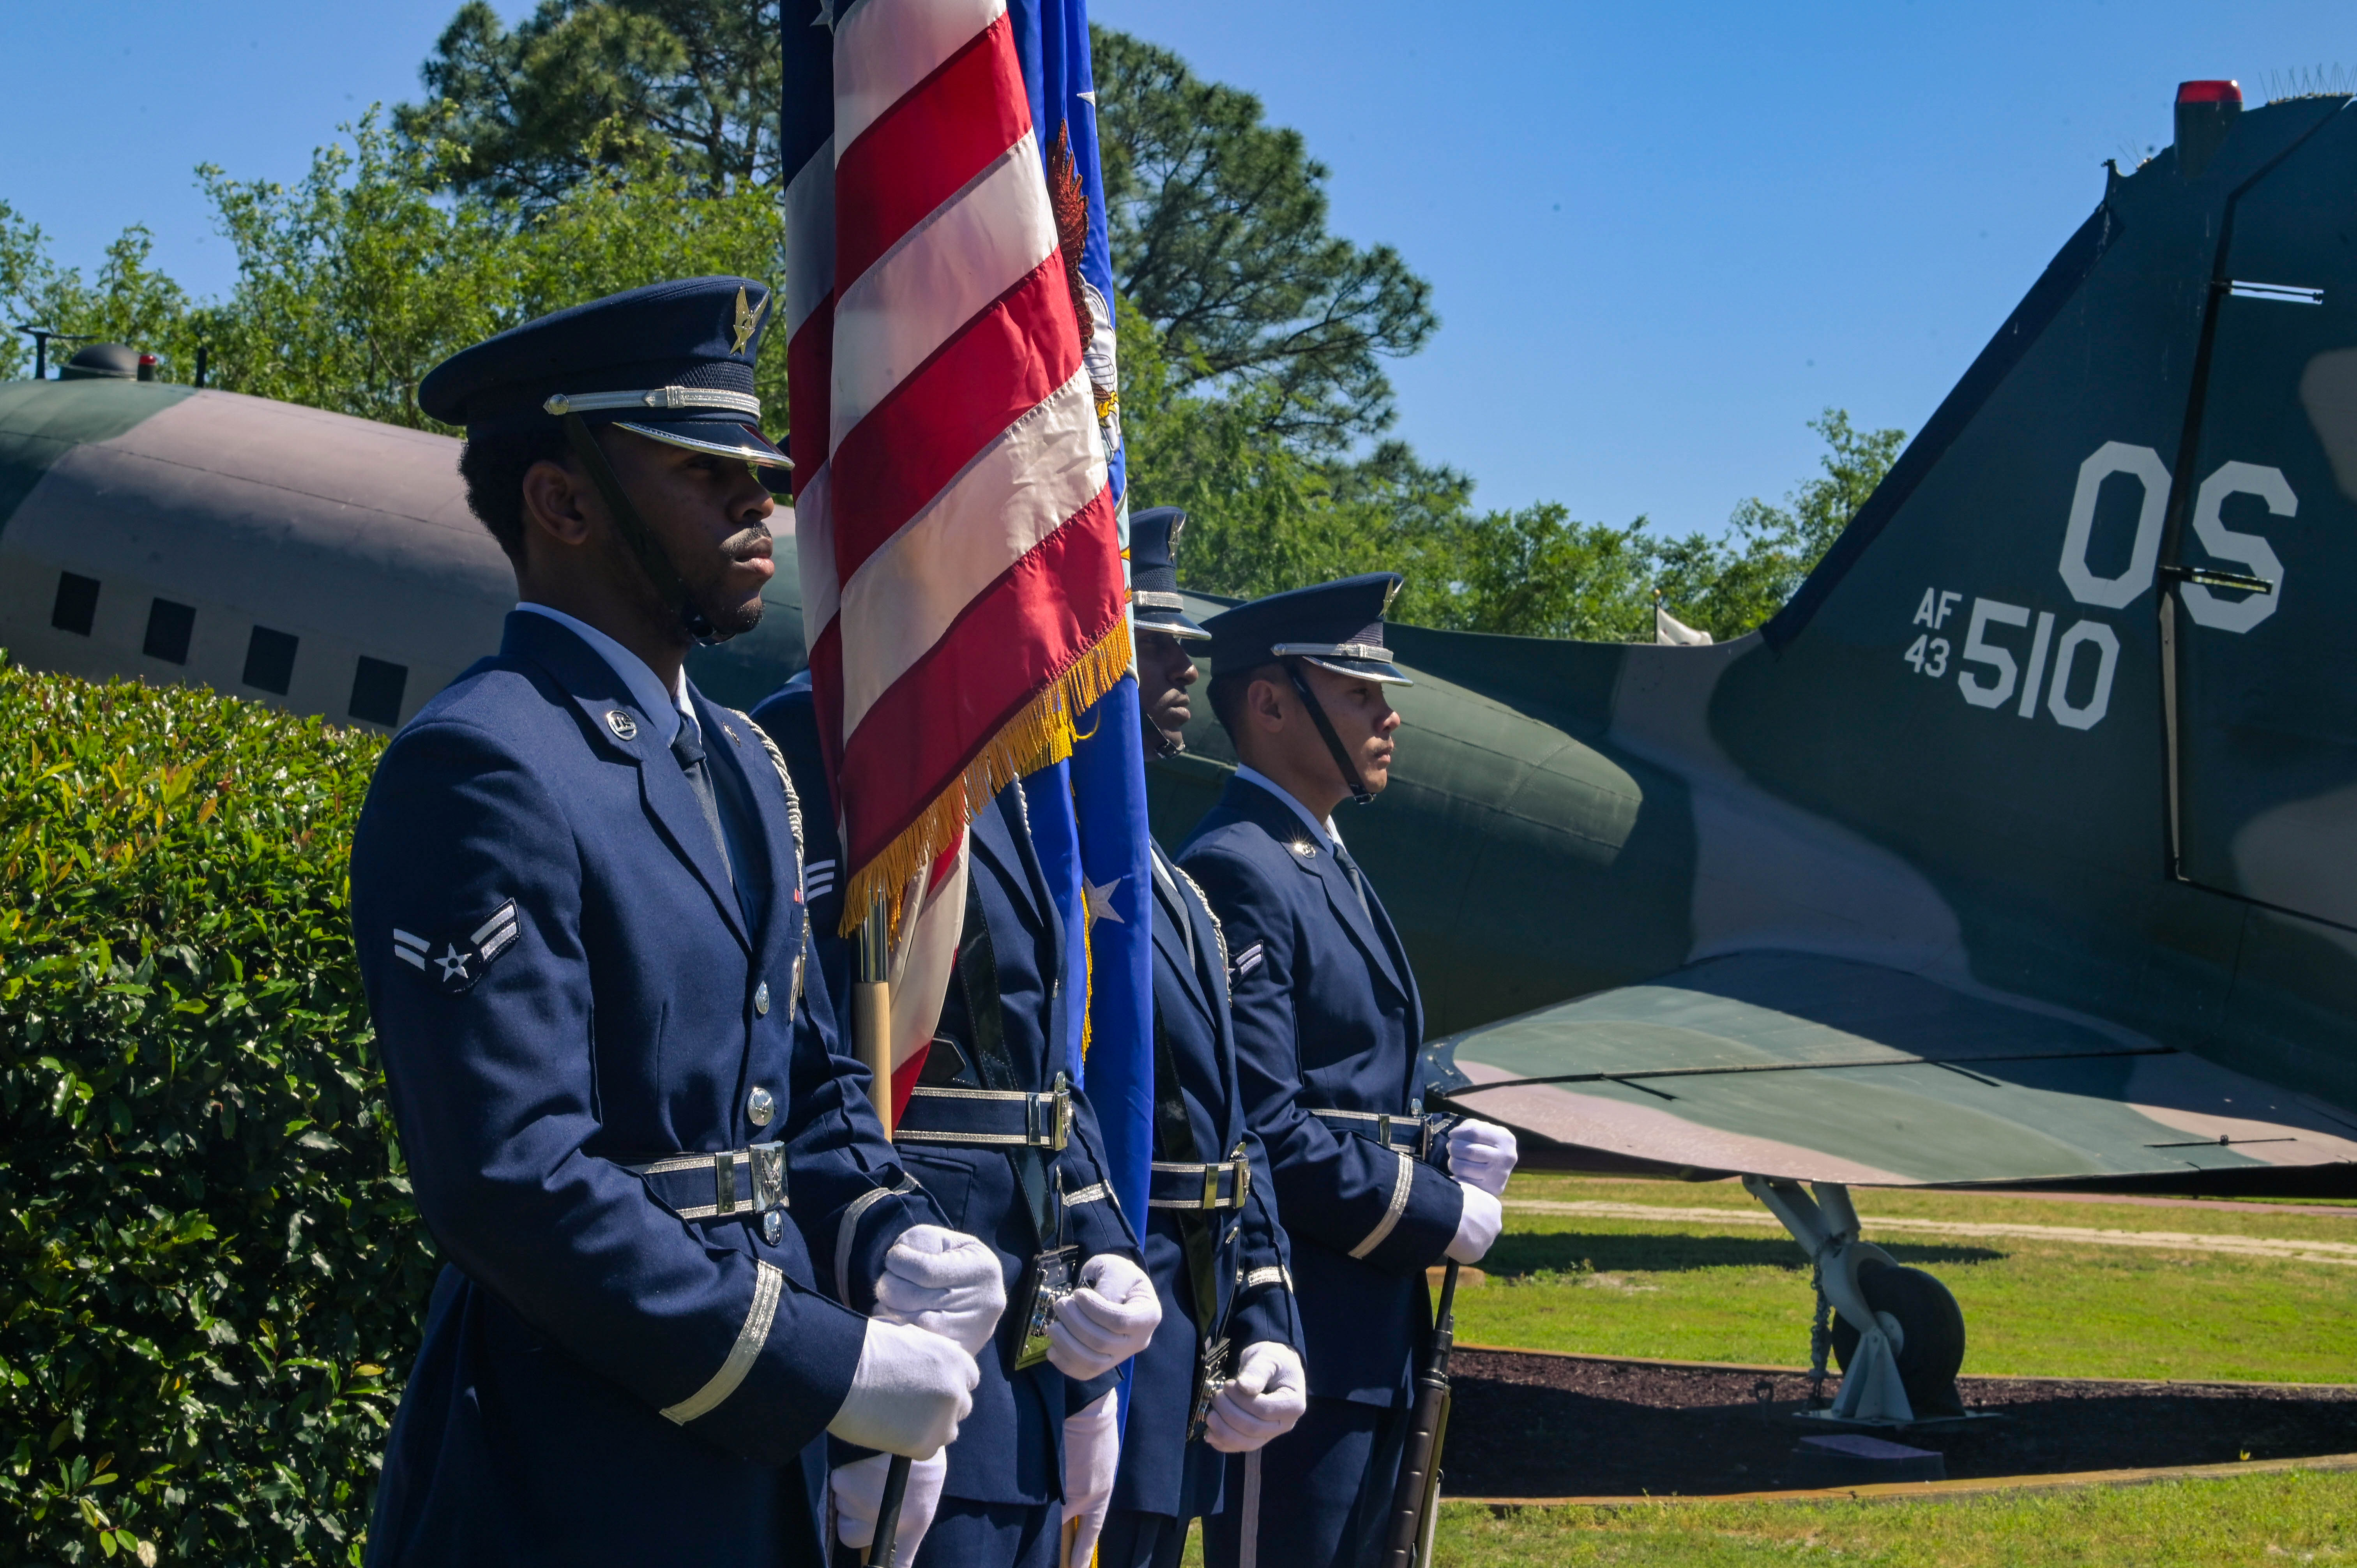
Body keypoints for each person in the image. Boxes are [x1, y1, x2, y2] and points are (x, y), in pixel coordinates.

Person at [350, 277, 1003, 1567]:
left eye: (757, 470)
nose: (759, 502)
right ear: (565, 501)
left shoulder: (746, 767)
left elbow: (804, 1089)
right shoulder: (483, 765)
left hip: (739, 1449)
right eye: (707, 472)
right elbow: (508, 1180)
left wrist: (888, 1232)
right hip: (569, 1464)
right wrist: (813, 1366)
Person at [754, 728, 1163, 1568]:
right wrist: (858, 1390)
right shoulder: (838, 728)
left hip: (1026, 1371)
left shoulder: (1001, 768)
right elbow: (804, 1084)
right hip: (917, 1356)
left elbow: (1042, 1081)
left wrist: (1106, 1260)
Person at [1178, 574, 1521, 1568]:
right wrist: (1434, 1208)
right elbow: (1267, 1125)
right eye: (1358, 690)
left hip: (1369, 1334)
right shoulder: (1243, 866)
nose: (1389, 711)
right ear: (1272, 702)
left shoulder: (1317, 857)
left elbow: (1352, 1086)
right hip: (1302, 1332)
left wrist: (1437, 1144)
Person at [1094, 509, 1308, 1568]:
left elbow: (1238, 1135)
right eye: (1153, 634)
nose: (1184, 661)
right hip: (1091, 1349)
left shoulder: (1175, 892)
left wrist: (1269, 1309)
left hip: (1188, 1355)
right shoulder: (1062, 877)